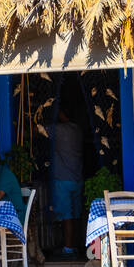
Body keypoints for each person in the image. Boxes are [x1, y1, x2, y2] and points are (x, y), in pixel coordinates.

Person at [49, 106, 83, 255]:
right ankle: (76, 244)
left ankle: (68, 247)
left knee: (66, 216)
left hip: (63, 179)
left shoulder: (59, 129)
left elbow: (38, 131)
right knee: (75, 214)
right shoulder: (78, 130)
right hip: (77, 177)